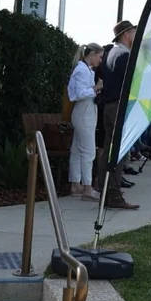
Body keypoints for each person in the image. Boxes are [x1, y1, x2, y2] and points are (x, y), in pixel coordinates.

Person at [95, 20, 139, 210]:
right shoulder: (124, 56)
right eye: (134, 32)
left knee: (108, 151)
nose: (136, 35)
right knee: (118, 152)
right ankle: (113, 194)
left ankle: (104, 191)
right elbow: (133, 82)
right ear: (126, 34)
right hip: (119, 108)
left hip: (109, 107)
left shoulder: (111, 54)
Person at [67, 43, 104, 201]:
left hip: (84, 112)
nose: (100, 60)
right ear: (93, 54)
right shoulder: (82, 70)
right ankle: (87, 187)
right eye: (100, 57)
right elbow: (80, 93)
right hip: (84, 114)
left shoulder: (86, 70)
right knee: (88, 151)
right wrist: (96, 87)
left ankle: (76, 184)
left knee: (77, 149)